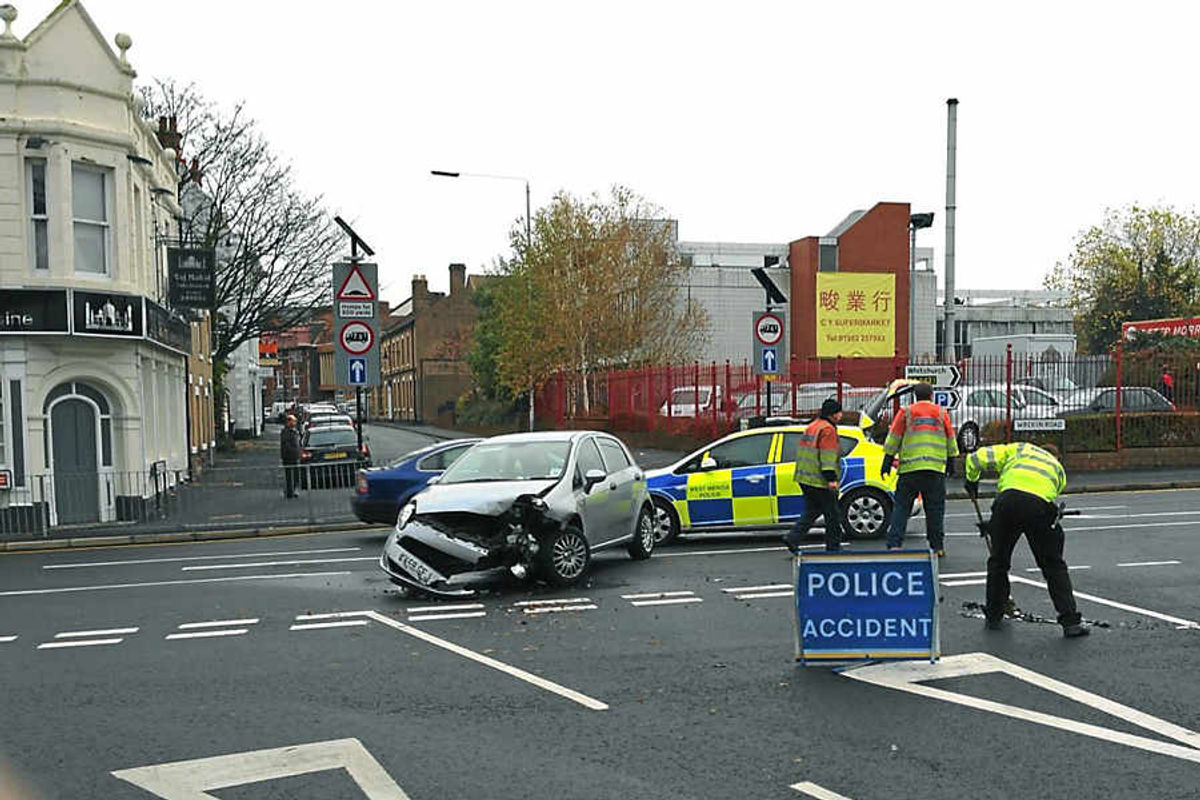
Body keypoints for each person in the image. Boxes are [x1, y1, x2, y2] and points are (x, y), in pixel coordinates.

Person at [964, 441, 1089, 638]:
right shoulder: (1058, 470)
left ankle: (995, 613)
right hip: (1038, 507)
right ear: (1057, 457)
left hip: (1006, 502)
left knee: (998, 562)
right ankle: (1070, 622)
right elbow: (1037, 504)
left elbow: (974, 458)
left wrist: (972, 481)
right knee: (1053, 565)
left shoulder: (1020, 449)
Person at [880, 382, 958, 556]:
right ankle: (937, 547)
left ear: (915, 396)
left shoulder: (906, 412)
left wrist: (887, 461)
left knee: (901, 508)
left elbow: (893, 438)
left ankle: (894, 544)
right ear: (931, 396)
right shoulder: (941, 413)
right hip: (934, 469)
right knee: (935, 510)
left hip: (910, 469)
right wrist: (951, 463)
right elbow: (950, 439)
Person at [785, 399, 844, 553]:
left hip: (805, 478)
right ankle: (833, 548)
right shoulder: (828, 430)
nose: (841, 415)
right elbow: (827, 456)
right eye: (839, 412)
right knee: (833, 516)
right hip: (819, 480)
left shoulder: (813, 426)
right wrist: (831, 478)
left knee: (812, 511)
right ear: (833, 414)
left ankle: (793, 537)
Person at [280, 414, 302, 499]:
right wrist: (293, 451)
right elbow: (286, 444)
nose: (295, 423)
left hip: (295, 456)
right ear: (288, 422)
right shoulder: (285, 432)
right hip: (288, 456)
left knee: (296, 474)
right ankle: (289, 492)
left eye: (295, 421)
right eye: (293, 421)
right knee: (289, 475)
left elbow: (298, 442)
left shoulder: (295, 431)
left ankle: (293, 490)